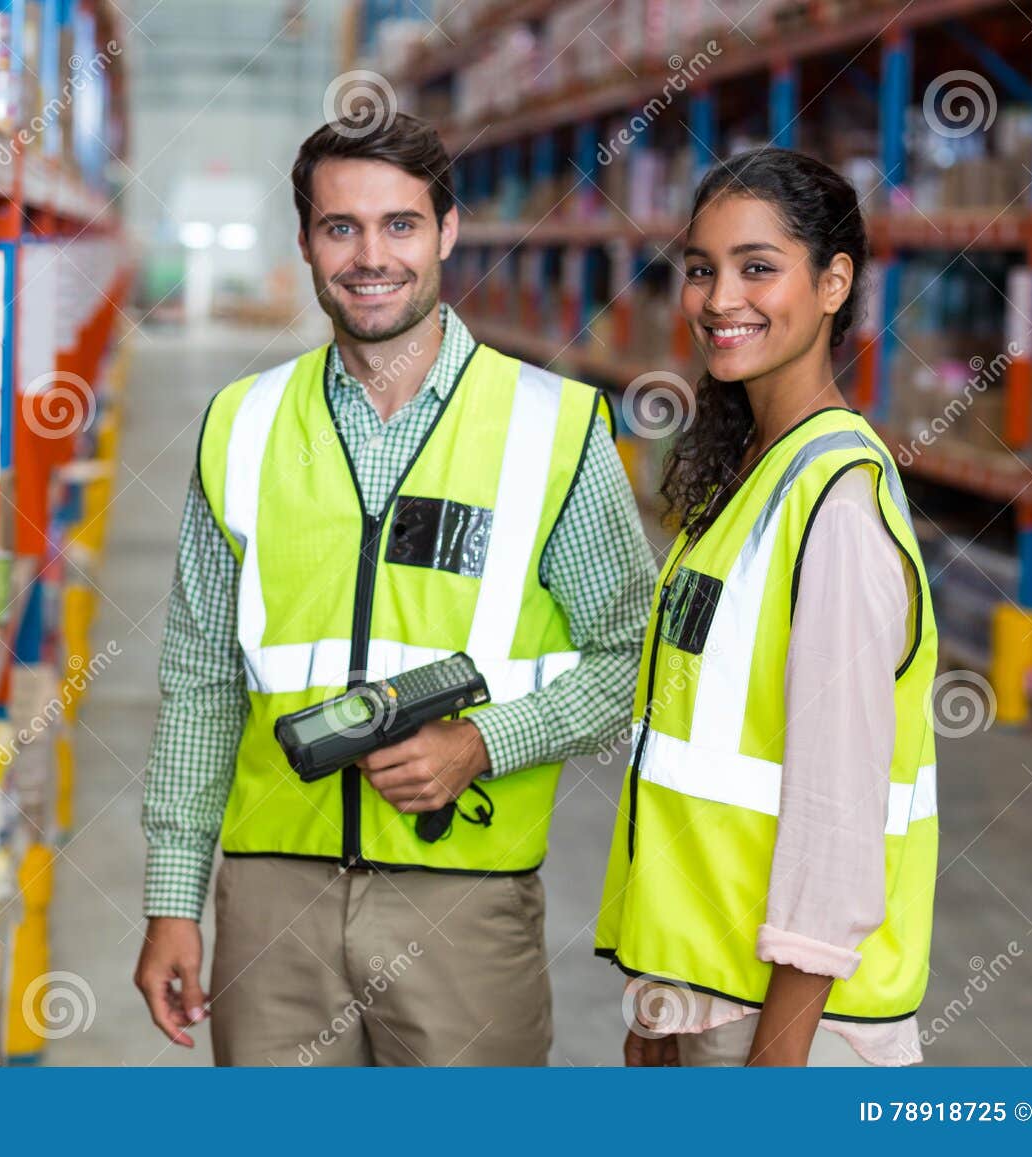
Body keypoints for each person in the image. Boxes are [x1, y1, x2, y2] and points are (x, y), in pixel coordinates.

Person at [135, 111, 655, 1066]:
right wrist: (174, 896)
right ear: (305, 242)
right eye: (342, 228)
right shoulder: (240, 427)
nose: (372, 256)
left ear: (447, 231)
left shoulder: (552, 428)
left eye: (400, 225)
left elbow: (636, 660)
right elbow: (201, 677)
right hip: (271, 900)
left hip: (463, 894)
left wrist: (484, 741)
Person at [594, 147, 938, 1067]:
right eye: (702, 270)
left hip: (793, 1029)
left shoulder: (837, 501)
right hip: (710, 1000)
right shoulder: (754, 474)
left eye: (757, 268)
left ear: (833, 284)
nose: (718, 298)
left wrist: (774, 1069)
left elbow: (838, 813)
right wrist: (661, 1003)